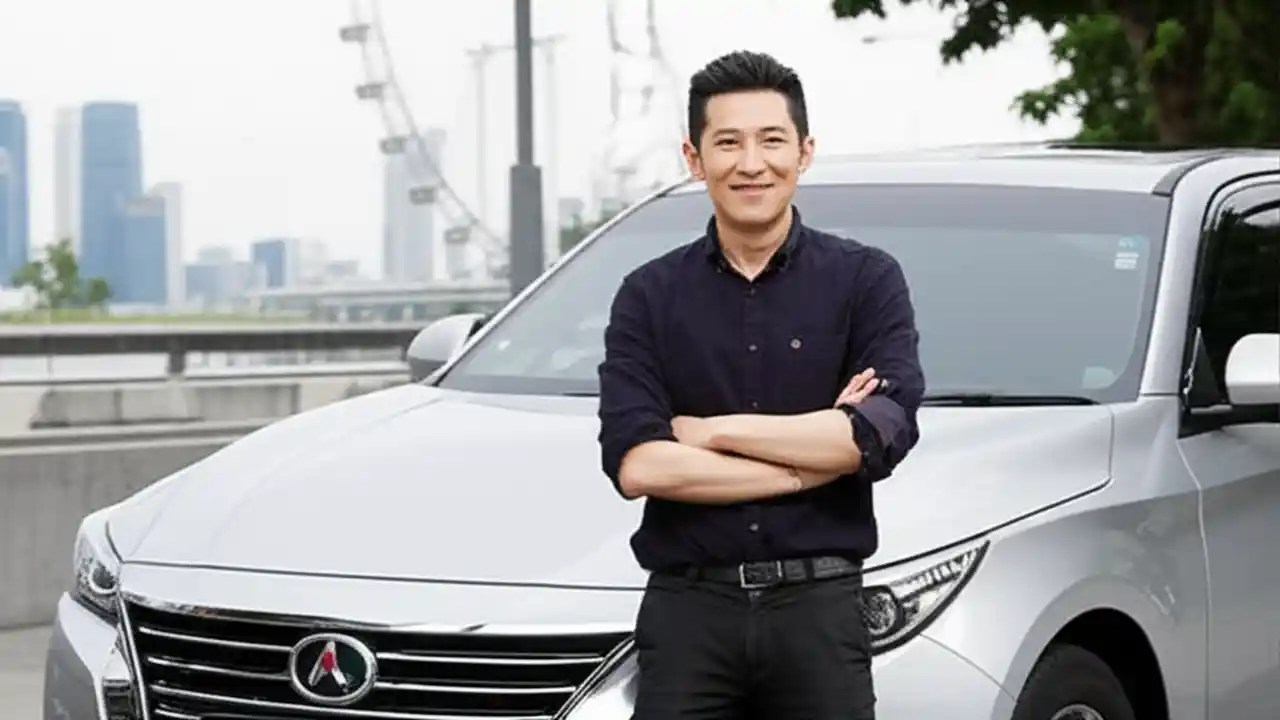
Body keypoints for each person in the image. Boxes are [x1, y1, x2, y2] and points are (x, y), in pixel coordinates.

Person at [596, 50, 925, 719]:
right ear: (694, 159)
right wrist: (811, 462)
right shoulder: (648, 297)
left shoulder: (866, 281)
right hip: (687, 613)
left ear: (804, 153)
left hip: (821, 611)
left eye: (771, 140)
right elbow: (639, 464)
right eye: (728, 143)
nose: (752, 163)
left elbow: (877, 436)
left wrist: (713, 431)